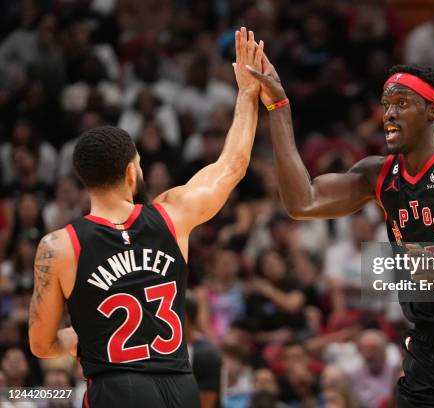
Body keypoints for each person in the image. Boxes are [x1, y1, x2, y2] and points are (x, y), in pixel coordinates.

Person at [247, 54, 434, 406]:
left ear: (432, 110)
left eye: (402, 103)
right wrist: (279, 108)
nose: (389, 114)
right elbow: (302, 203)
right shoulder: (378, 175)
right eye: (385, 104)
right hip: (430, 346)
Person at [27, 27, 264, 408]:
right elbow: (232, 165)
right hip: (180, 386)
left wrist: (81, 339)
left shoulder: (59, 246)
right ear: (131, 173)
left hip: (117, 388)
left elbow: (40, 344)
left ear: (83, 179)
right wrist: (248, 93)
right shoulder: (172, 215)